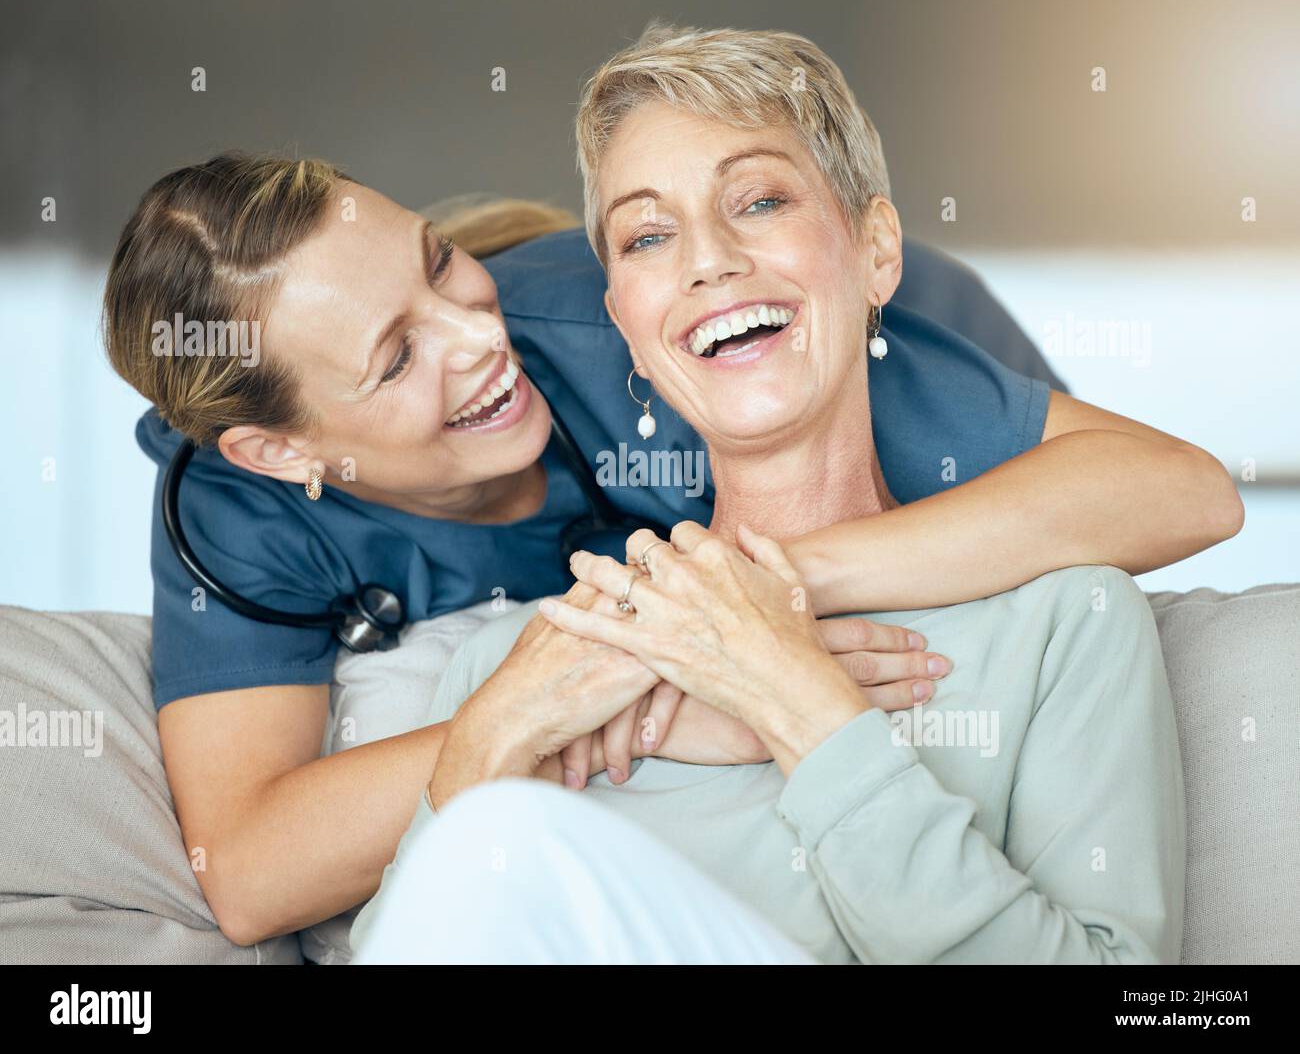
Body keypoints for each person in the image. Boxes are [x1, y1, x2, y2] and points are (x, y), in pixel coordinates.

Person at [101, 70, 1234, 949]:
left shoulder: (634, 325)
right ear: (276, 450)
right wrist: (544, 709)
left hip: (904, 315)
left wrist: (755, 605)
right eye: (396, 359)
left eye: (442, 265)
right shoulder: (239, 523)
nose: (479, 340)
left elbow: (1180, 488)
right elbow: (248, 872)